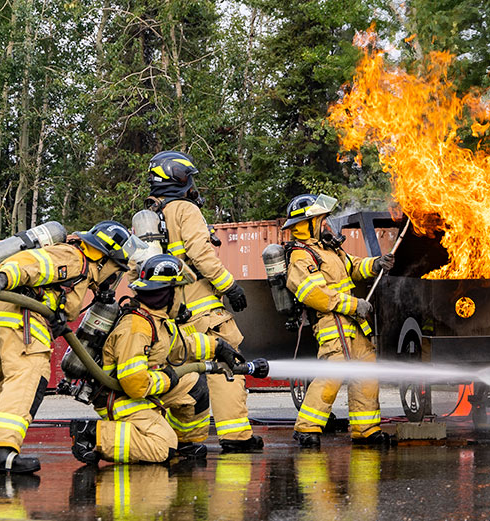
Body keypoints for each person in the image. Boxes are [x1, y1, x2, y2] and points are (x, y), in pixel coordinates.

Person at [0, 220, 133, 473]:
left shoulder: (79, 269)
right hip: (20, 317)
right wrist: (2, 278)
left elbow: (52, 292)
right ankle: (3, 451)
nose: (114, 276)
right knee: (28, 377)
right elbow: (32, 264)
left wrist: (58, 317)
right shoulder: (75, 257)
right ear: (104, 258)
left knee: (1, 382)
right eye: (116, 268)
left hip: (0, 317)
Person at [138, 151, 261, 453]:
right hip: (202, 309)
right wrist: (230, 286)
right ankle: (236, 436)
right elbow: (201, 255)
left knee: (184, 373)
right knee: (225, 364)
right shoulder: (184, 209)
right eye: (188, 178)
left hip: (171, 313)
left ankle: (184, 438)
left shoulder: (151, 217)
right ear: (178, 179)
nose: (192, 184)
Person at [69, 254, 244, 464]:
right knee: (161, 447)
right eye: (181, 291)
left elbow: (180, 347)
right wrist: (168, 378)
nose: (183, 299)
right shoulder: (136, 327)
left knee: (195, 386)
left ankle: (183, 442)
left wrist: (217, 346)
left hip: (142, 390)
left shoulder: (156, 319)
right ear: (169, 292)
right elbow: (134, 384)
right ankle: (93, 434)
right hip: (121, 400)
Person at [281, 194, 395, 448]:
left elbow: (353, 266)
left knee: (366, 373)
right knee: (331, 375)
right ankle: (307, 429)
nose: (326, 225)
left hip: (353, 324)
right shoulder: (301, 256)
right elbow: (315, 295)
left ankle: (366, 430)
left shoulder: (330, 249)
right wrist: (356, 305)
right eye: (322, 220)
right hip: (332, 324)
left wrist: (376, 264)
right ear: (307, 224)